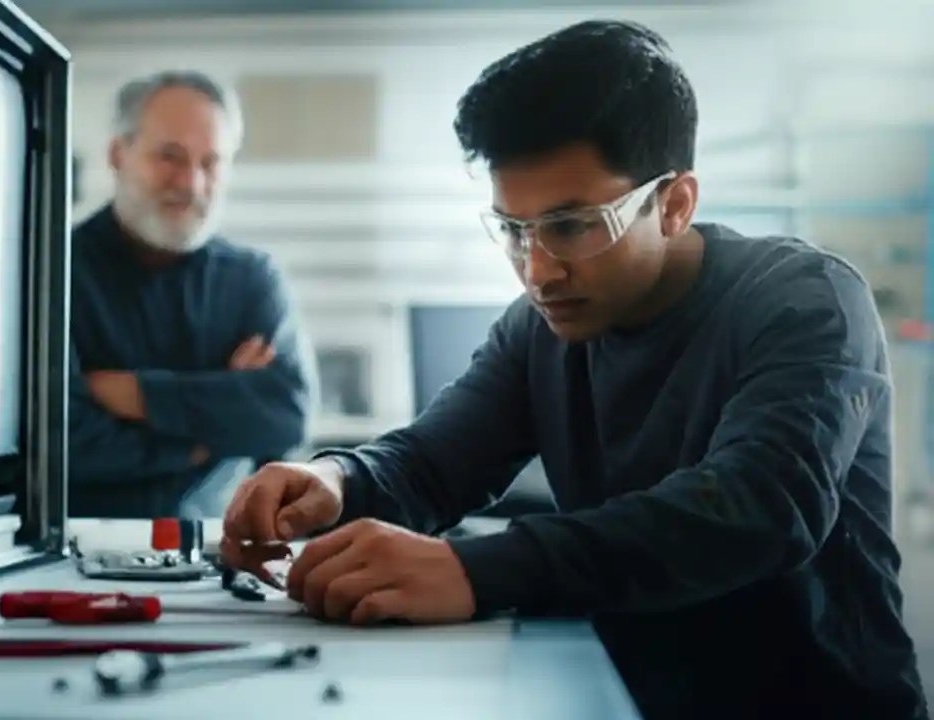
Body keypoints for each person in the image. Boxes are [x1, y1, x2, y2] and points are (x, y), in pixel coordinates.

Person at [220, 20, 929, 720]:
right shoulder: (541, 328)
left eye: (571, 226)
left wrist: (476, 570)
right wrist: (335, 481)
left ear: (675, 204)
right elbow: (433, 463)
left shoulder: (805, 302)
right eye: (513, 230)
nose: (537, 271)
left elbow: (761, 507)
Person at [69, 70, 315, 519]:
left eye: (211, 162)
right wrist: (217, 430)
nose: (191, 183)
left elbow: (286, 414)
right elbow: (62, 441)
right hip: (77, 541)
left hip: (219, 543)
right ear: (118, 154)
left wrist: (131, 394)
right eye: (170, 156)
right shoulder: (55, 272)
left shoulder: (251, 278)